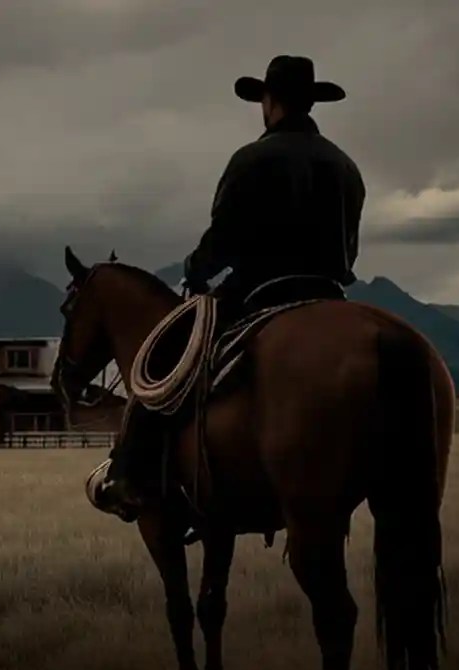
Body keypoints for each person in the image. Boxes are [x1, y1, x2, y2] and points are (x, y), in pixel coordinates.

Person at [93, 55, 367, 522]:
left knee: (161, 364)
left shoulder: (251, 159)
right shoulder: (345, 166)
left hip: (260, 292)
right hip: (328, 292)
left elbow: (223, 236)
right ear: (310, 101)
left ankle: (129, 477)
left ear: (270, 100)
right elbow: (350, 249)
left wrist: (195, 271)